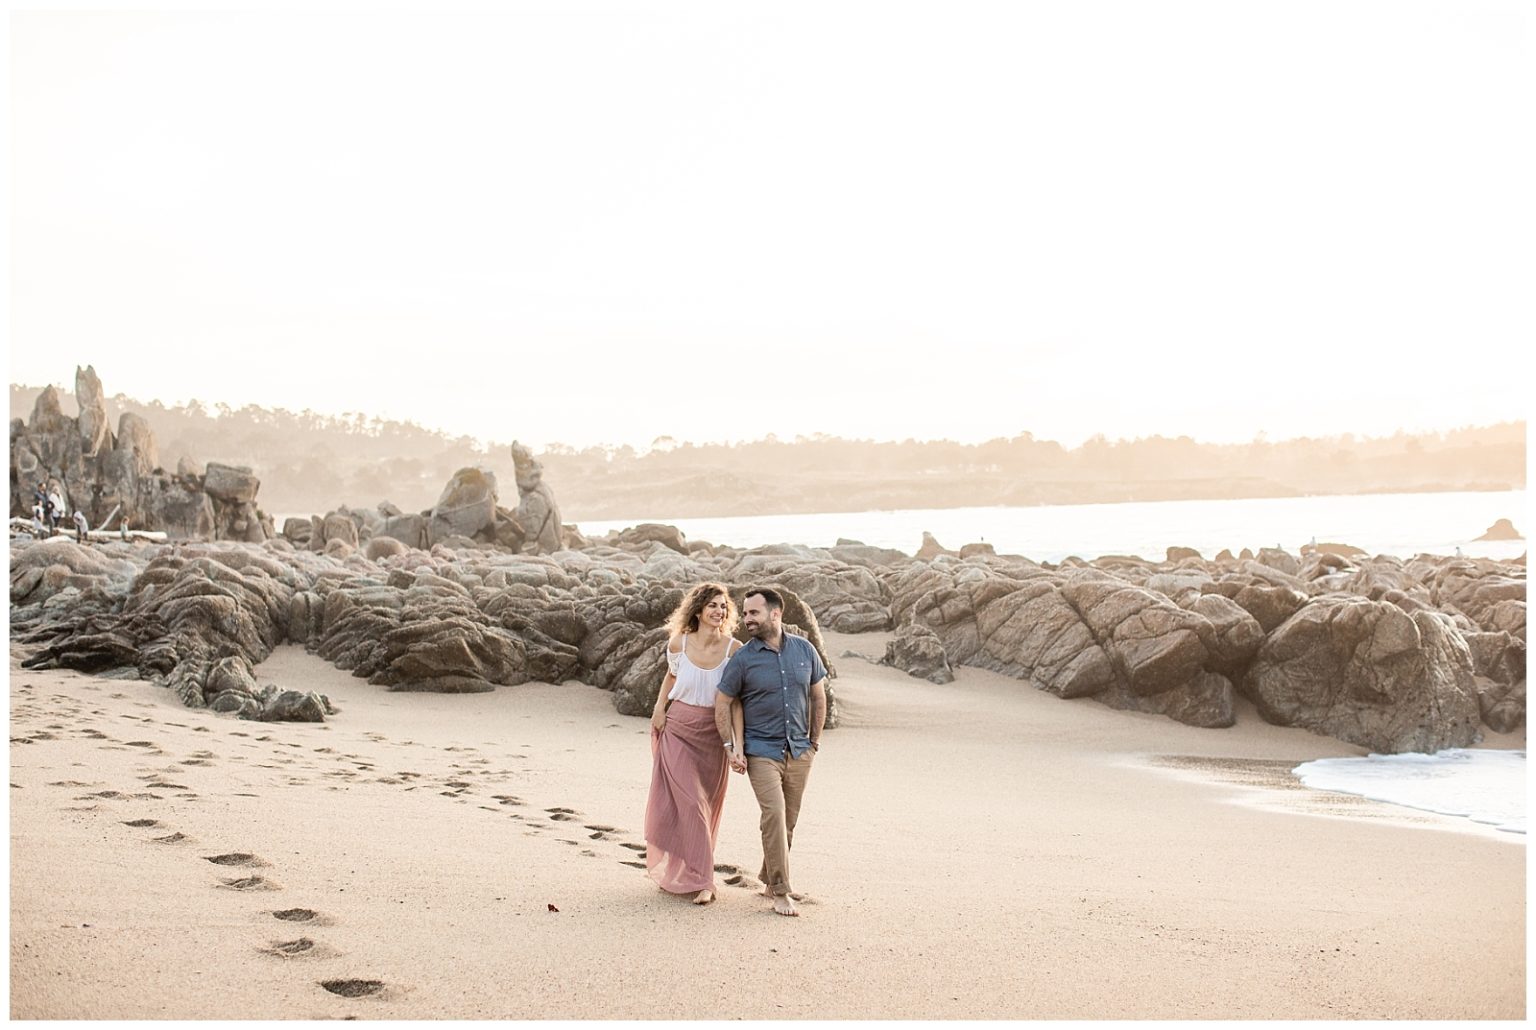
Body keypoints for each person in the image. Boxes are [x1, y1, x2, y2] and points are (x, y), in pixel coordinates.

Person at [714, 586, 828, 917]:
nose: (746, 619)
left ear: (775, 614)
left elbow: (818, 696)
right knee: (774, 814)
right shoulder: (743, 659)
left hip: (799, 750)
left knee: (788, 821)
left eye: (754, 613)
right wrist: (729, 746)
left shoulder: (805, 651)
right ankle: (780, 891)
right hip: (761, 751)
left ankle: (768, 877)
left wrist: (814, 742)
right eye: (745, 613)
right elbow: (722, 702)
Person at [644, 582, 744, 905]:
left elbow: (737, 702)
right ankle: (704, 881)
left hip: (713, 735)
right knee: (687, 803)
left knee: (705, 806)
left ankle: (686, 873)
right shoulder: (678, 643)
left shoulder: (734, 650)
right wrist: (660, 709)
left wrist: (735, 744)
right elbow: (671, 677)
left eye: (723, 607)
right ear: (698, 610)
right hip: (677, 730)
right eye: (713, 605)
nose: (719, 611)